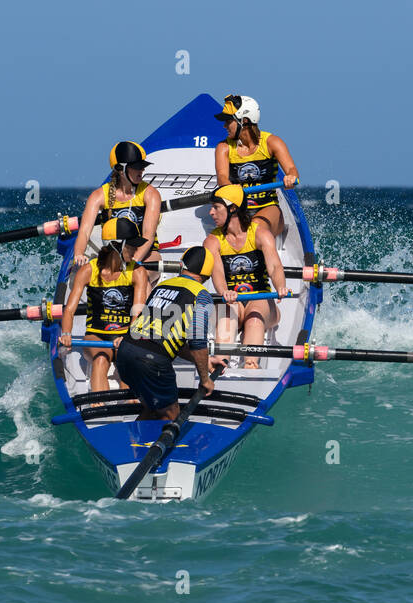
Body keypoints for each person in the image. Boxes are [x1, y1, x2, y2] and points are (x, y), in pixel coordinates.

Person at [114, 246, 226, 421]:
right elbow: (197, 341)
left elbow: (167, 338)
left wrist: (207, 360)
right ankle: (156, 447)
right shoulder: (202, 296)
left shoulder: (162, 286)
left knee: (152, 407)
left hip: (125, 352)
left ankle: (133, 445)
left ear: (181, 266)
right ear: (207, 276)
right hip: (151, 361)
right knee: (171, 415)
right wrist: (205, 379)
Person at [59, 218, 151, 395]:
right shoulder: (88, 271)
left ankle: (132, 406)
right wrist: (66, 334)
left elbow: (138, 312)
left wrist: (130, 337)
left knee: (128, 361)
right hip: (96, 336)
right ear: (115, 246)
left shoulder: (137, 272)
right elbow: (69, 310)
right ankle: (100, 409)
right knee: (101, 359)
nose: (135, 250)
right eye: (131, 245)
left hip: (126, 335)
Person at [203, 185, 285, 370]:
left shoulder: (260, 234)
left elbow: (275, 266)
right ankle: (219, 363)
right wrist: (224, 292)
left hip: (261, 300)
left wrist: (280, 286)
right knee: (225, 315)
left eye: (216, 207)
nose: (211, 212)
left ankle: (250, 364)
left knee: (254, 320)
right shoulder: (212, 241)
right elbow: (218, 276)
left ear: (232, 208)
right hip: (233, 301)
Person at [213, 95, 299, 238]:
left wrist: (291, 177)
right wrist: (232, 191)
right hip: (239, 208)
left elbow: (292, 169)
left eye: (228, 121)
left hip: (268, 207)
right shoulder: (223, 148)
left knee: (255, 231)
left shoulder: (272, 142)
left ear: (244, 121)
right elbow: (222, 177)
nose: (224, 126)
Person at [72, 141, 162, 269]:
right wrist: (79, 254)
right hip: (112, 255)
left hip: (147, 253)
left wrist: (131, 263)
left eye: (142, 166)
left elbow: (148, 236)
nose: (142, 170)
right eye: (137, 166)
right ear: (121, 169)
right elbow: (84, 232)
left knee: (138, 277)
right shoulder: (99, 196)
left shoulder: (151, 194)